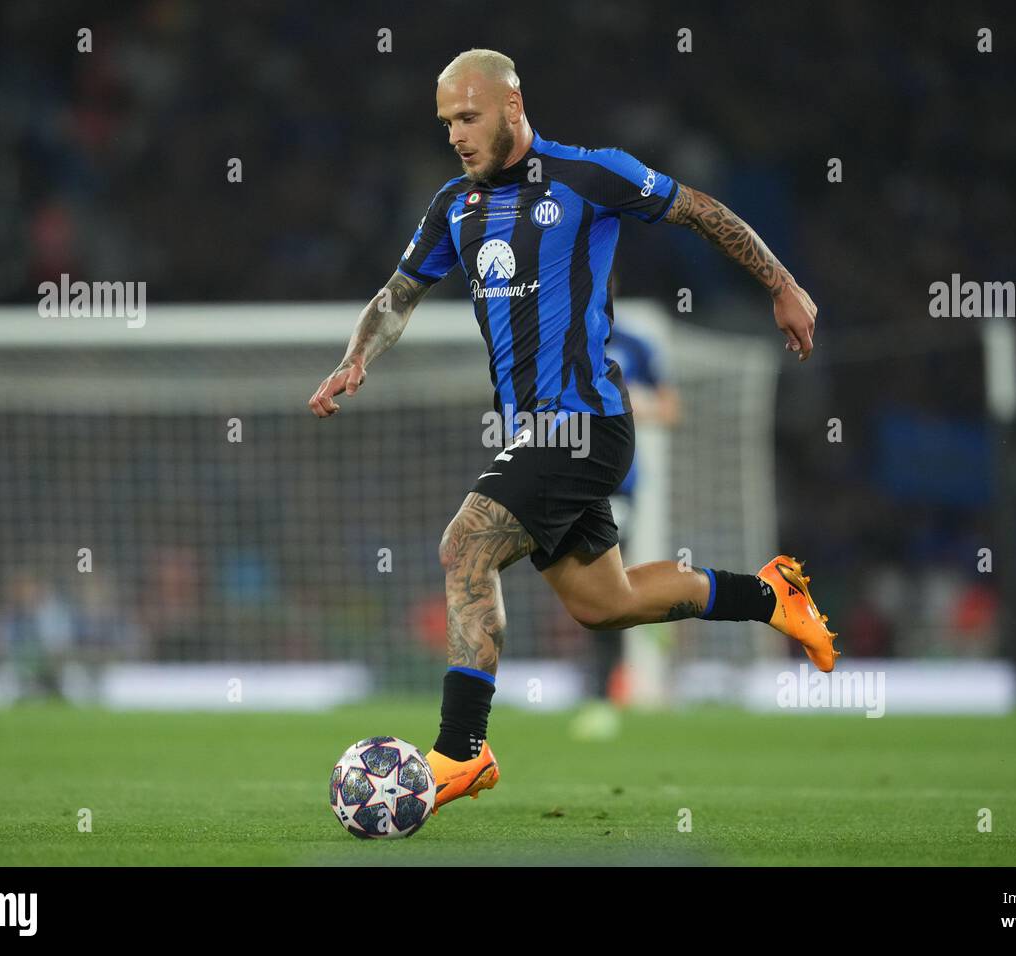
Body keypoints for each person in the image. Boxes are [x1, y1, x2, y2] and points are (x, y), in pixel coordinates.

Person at [309, 49, 837, 813]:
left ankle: (462, 751)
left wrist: (783, 285)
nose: (456, 135)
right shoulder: (453, 207)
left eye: (469, 117)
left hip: (585, 423)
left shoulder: (590, 176)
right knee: (605, 603)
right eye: (446, 123)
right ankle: (770, 594)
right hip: (533, 433)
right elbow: (398, 294)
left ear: (512, 106)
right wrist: (356, 357)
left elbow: (702, 210)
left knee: (466, 544)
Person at [570, 314, 679, 742]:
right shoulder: (560, 332)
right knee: (593, 588)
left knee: (600, 593)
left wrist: (621, 408)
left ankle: (600, 701)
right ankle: (655, 608)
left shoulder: (636, 344)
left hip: (616, 482)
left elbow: (671, 409)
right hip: (562, 477)